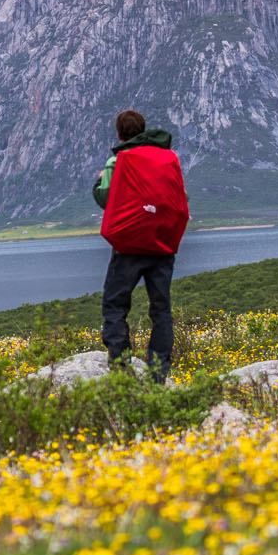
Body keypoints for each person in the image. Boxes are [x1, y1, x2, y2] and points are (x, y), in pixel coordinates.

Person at [92, 109, 188, 379]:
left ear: (120, 134)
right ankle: (158, 373)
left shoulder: (118, 160)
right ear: (144, 129)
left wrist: (99, 181)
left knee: (115, 305)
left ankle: (121, 367)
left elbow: (105, 198)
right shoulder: (168, 159)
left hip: (129, 247)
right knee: (160, 308)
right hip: (161, 244)